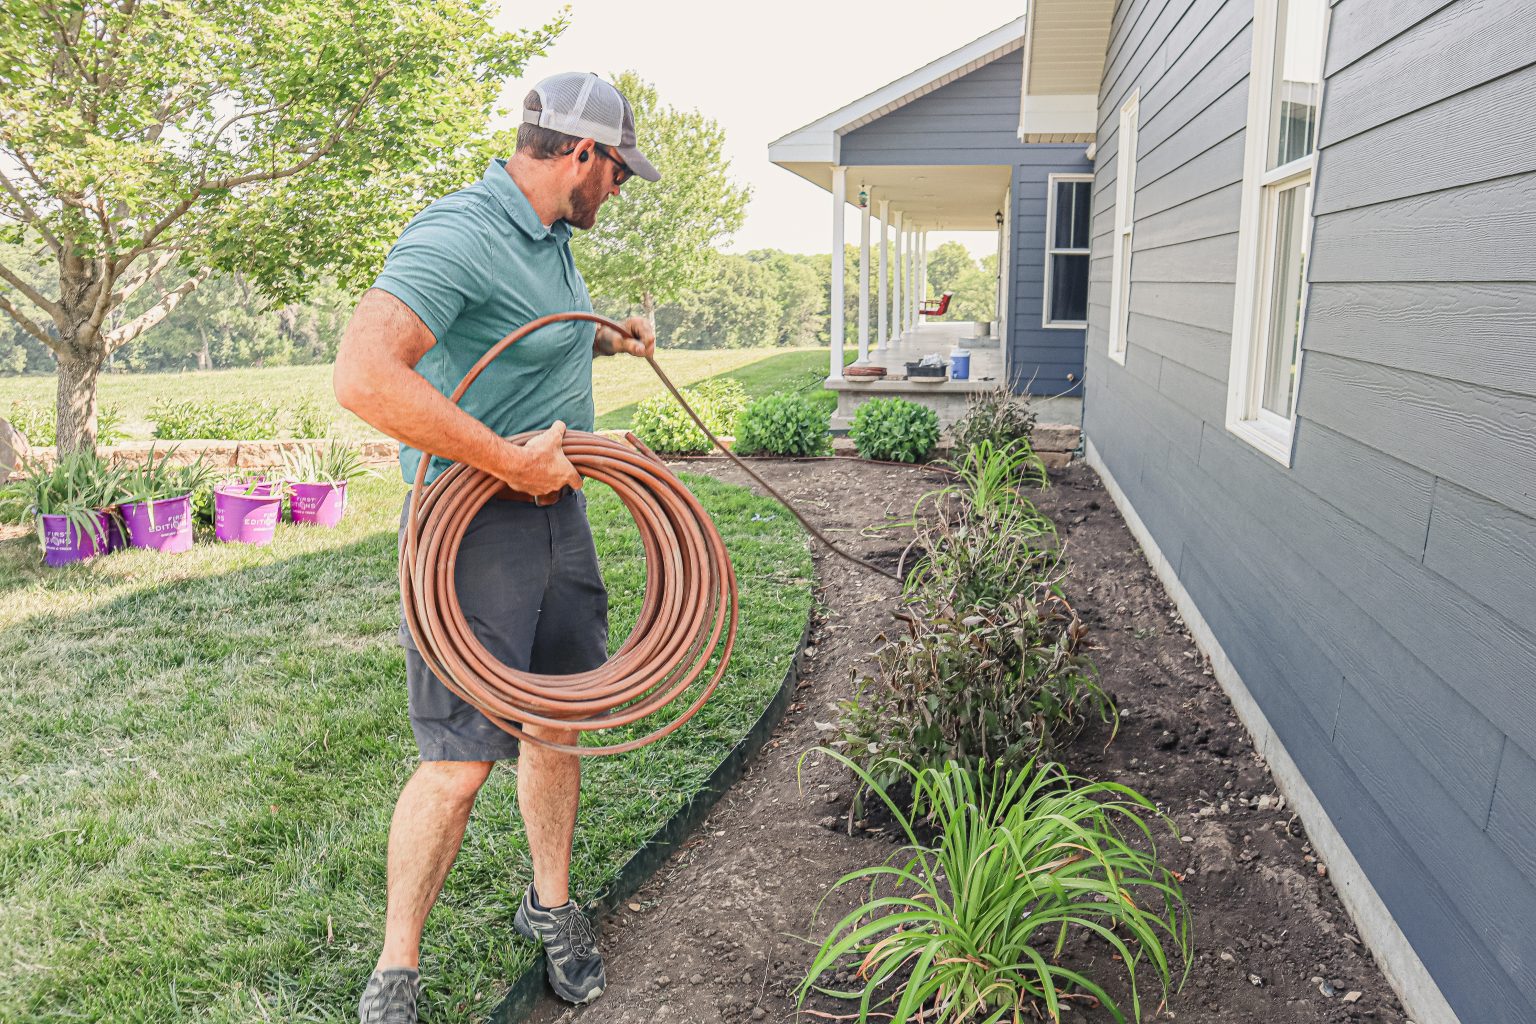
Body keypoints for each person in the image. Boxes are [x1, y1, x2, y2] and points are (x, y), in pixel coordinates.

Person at [333, 71, 661, 1023]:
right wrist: (507, 465)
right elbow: (363, 374)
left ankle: (548, 907)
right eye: (619, 173)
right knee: (460, 758)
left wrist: (607, 339)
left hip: (556, 515)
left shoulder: (553, 237)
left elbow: (527, 337)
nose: (619, 190)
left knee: (557, 720)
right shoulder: (461, 232)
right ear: (582, 155)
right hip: (470, 530)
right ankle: (396, 967)